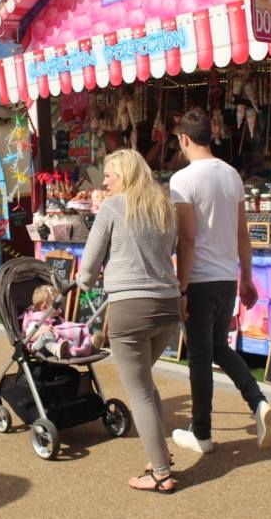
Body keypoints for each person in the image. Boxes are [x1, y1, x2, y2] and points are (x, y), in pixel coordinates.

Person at [169, 108, 271, 454]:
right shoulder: (232, 175)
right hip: (227, 278)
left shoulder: (182, 180)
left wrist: (181, 288)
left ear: (184, 139)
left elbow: (186, 239)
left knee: (200, 358)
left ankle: (202, 432)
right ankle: (257, 401)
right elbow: (243, 235)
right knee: (218, 348)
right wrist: (246, 278)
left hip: (199, 281)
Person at [77, 149, 180, 493]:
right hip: (167, 306)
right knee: (145, 384)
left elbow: (90, 262)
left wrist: (85, 280)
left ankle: (161, 472)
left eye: (108, 175)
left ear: (124, 176)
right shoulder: (163, 206)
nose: (103, 182)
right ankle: (159, 455)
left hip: (129, 308)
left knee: (138, 392)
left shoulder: (113, 207)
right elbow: (172, 248)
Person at [21, 285, 95, 359]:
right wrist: (43, 331)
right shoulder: (36, 320)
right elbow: (29, 336)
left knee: (73, 330)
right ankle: (56, 349)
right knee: (46, 336)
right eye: (57, 306)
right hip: (40, 346)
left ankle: (90, 343)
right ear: (44, 307)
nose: (60, 308)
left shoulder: (58, 319)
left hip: (60, 342)